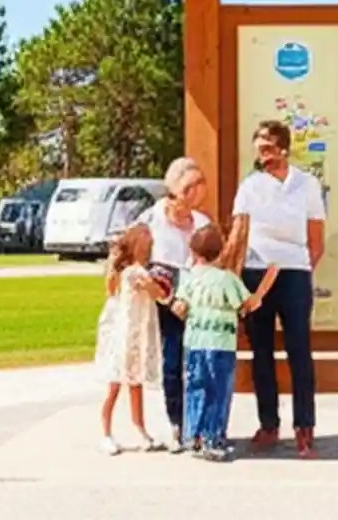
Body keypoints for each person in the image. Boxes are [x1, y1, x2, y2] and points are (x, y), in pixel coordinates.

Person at [224, 119, 326, 459]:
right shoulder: (250, 186)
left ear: (284, 148)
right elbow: (238, 235)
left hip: (294, 273)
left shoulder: (307, 184)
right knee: (261, 352)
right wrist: (235, 282)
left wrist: (298, 265)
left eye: (268, 150)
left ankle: (305, 429)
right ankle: (268, 423)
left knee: (300, 352)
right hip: (255, 273)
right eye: (259, 151)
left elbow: (316, 240)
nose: (263, 157)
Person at [175, 224, 276, 462]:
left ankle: (193, 436)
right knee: (218, 391)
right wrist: (263, 288)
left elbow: (180, 308)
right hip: (221, 344)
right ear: (220, 252)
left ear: (193, 252)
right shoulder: (227, 280)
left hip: (194, 342)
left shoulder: (190, 278)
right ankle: (213, 438)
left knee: (195, 387)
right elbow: (246, 306)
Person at [132, 156, 211, 453]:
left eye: (199, 187)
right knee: (172, 362)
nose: (195, 194)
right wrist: (164, 294)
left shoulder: (202, 223)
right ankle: (176, 423)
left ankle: (198, 424)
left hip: (196, 299)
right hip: (163, 300)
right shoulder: (151, 219)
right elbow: (134, 261)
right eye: (189, 187)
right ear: (174, 188)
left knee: (198, 364)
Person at [93, 224, 168, 455]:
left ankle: (141, 429)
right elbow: (113, 288)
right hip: (123, 333)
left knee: (136, 385)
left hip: (139, 332)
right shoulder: (130, 272)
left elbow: (162, 296)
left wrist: (158, 286)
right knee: (114, 385)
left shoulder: (147, 271)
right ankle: (105, 432)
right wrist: (114, 263)